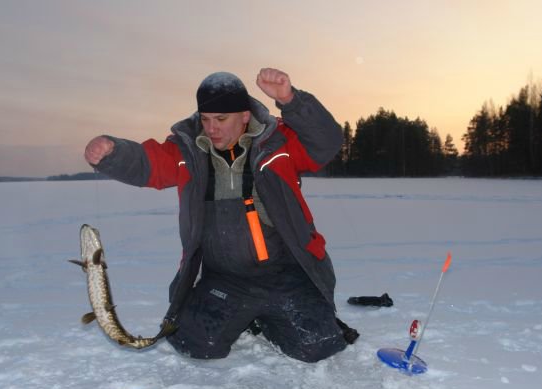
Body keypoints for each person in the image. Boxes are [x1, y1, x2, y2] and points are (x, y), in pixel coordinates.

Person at [84, 67, 357, 362]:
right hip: (226, 279)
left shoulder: (279, 143)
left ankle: (267, 317)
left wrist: (291, 100)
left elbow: (326, 142)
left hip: (288, 273)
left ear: (244, 115)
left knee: (320, 347)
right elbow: (149, 164)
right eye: (205, 119)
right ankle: (244, 314)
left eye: (221, 119)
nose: (211, 128)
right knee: (195, 346)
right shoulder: (188, 151)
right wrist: (113, 152)